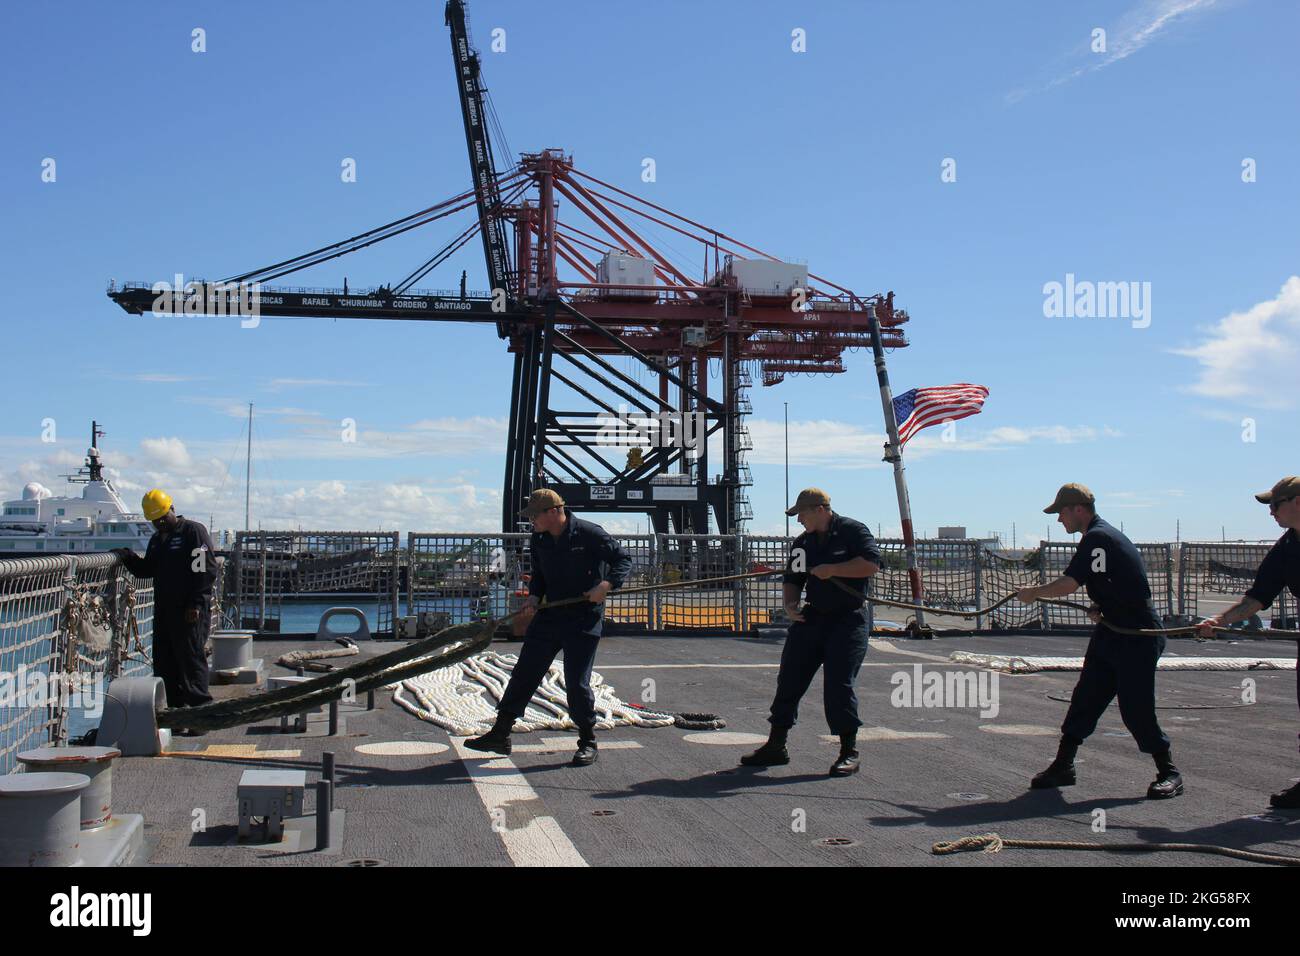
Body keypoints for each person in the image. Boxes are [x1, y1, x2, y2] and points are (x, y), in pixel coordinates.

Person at [1016, 483, 1182, 798]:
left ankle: (1169, 772)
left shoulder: (1097, 538)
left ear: (1078, 509)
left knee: (1136, 708)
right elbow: (1111, 579)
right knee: (1086, 697)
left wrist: (1034, 592)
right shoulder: (1099, 539)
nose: (1059, 520)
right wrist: (1103, 604)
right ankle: (1064, 764)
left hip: (1136, 634)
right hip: (1113, 629)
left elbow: (1069, 583)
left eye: (1061, 513)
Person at [465, 489, 632, 766]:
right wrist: (533, 596)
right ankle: (500, 733)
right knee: (525, 672)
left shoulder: (591, 534)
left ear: (554, 511)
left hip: (583, 617)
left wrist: (606, 585)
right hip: (550, 613)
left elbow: (622, 560)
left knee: (576, 682)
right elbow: (540, 575)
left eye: (534, 515)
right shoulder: (539, 538)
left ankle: (588, 740)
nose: (531, 521)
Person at [741, 488, 882, 777]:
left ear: (820, 510)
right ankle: (776, 745)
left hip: (847, 620)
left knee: (838, 684)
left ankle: (848, 751)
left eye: (801, 514)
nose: (799, 520)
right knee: (789, 679)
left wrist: (833, 569)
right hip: (813, 618)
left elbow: (870, 565)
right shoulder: (803, 543)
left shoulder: (853, 531)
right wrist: (791, 606)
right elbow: (794, 578)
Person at [1196, 476, 1300, 809]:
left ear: (1297, 502)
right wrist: (1219, 621)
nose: (1271, 512)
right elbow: (1257, 597)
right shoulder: (1287, 547)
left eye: (1275, 504)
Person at [112, 489, 216, 727]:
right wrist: (126, 557)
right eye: (155, 520)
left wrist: (196, 603)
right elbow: (147, 570)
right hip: (164, 611)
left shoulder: (193, 532)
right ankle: (175, 715)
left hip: (190, 611)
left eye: (162, 517)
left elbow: (205, 570)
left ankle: (201, 715)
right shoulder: (157, 540)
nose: (159, 523)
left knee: (190, 660)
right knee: (165, 662)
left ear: (172, 509)